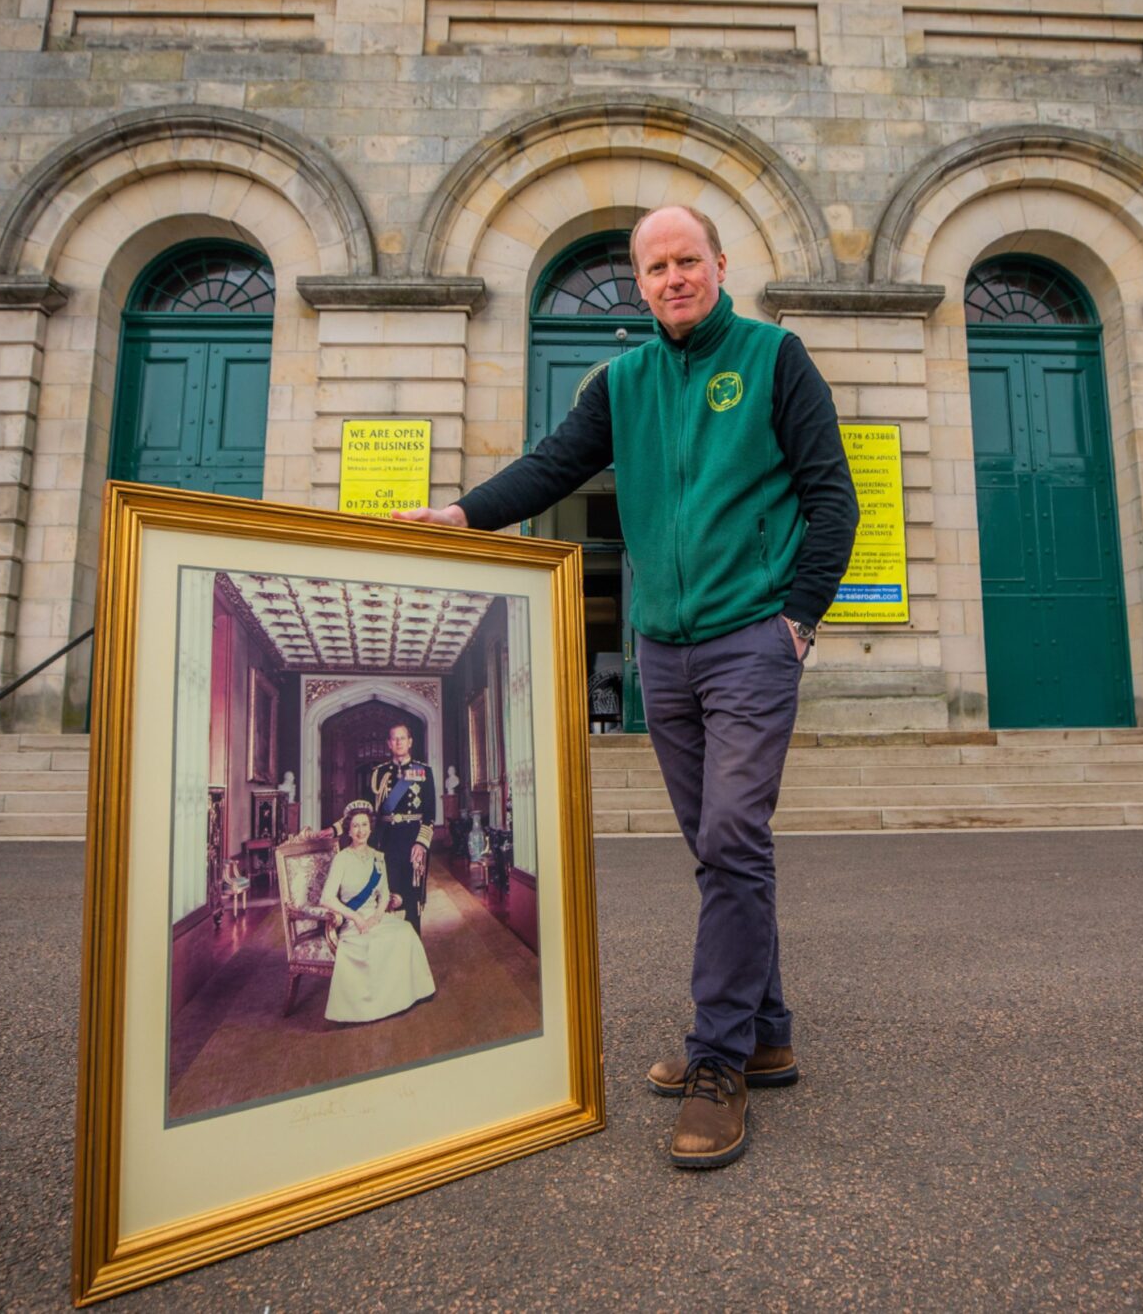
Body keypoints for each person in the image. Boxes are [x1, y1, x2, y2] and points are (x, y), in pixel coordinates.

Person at [395, 204, 859, 1169]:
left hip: (751, 640)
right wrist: (466, 516)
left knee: (732, 837)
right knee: (720, 847)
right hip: (666, 650)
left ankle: (718, 1058)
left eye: (688, 260)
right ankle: (767, 1030)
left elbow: (832, 497)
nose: (673, 278)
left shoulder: (776, 359)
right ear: (639, 283)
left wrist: (798, 619)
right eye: (655, 267)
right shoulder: (624, 381)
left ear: (720, 266)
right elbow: (555, 467)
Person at [320, 800, 436, 1024]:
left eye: (364, 825)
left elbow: (384, 894)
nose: (360, 830)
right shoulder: (342, 858)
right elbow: (327, 898)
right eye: (355, 826)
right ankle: (370, 1008)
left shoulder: (378, 856)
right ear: (349, 830)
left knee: (405, 932)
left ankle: (407, 995)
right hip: (352, 924)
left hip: (375, 917)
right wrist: (357, 918)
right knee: (373, 945)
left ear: (371, 828)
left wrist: (376, 917)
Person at [366, 724, 436, 933]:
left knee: (412, 898)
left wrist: (421, 843)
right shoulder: (378, 773)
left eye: (402, 738)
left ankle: (413, 944)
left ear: (410, 742)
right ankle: (390, 945)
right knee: (387, 896)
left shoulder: (423, 772)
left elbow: (430, 814)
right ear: (389, 743)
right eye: (394, 739)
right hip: (386, 841)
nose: (398, 742)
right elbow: (369, 812)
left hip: (413, 841)